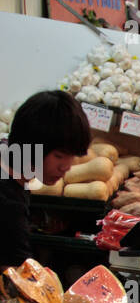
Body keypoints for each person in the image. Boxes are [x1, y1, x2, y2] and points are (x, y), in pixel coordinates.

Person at [0, 90, 91, 271]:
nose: (66, 166)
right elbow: (16, 278)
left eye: (71, 157)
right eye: (59, 156)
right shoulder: (7, 203)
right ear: (32, 146)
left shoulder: (8, 156)